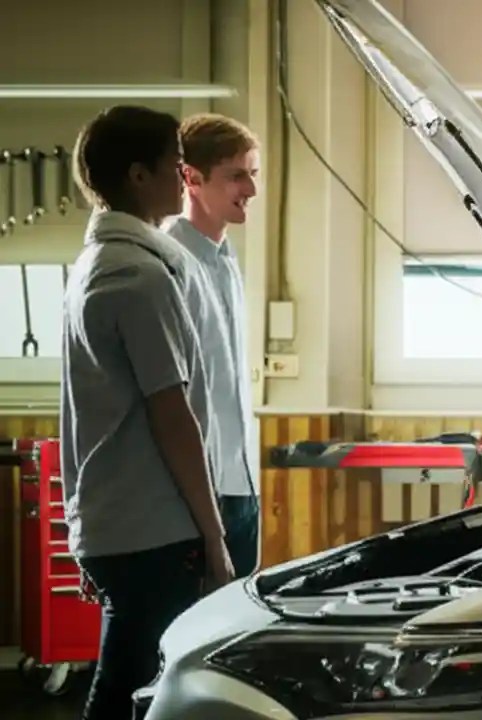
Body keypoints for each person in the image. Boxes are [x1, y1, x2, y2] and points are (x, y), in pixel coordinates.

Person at [61, 105, 234, 719]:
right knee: (135, 689)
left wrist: (87, 533)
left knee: (133, 681)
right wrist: (214, 539)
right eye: (173, 163)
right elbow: (172, 413)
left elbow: (84, 415)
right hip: (153, 527)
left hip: (121, 524)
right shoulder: (138, 276)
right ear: (140, 175)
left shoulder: (97, 265)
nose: (182, 174)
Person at [162, 112, 261, 578]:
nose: (252, 190)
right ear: (191, 178)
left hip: (241, 481)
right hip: (200, 491)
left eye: (252, 174)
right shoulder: (171, 264)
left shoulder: (225, 259)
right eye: (237, 176)